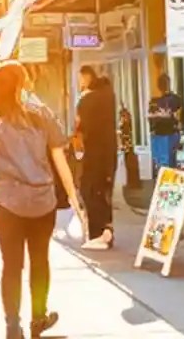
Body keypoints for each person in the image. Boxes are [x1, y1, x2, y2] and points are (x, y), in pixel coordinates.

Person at [0, 60, 80, 339]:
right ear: (20, 83)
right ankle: (38, 319)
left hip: (6, 203)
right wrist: (73, 196)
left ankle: (12, 325)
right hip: (42, 202)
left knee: (11, 264)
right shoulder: (40, 114)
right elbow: (59, 157)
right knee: (40, 260)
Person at [75, 66, 117, 250]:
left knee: (89, 190)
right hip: (109, 154)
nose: (80, 84)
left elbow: (80, 127)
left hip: (94, 154)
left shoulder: (88, 99)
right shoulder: (108, 96)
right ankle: (106, 229)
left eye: (81, 79)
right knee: (103, 192)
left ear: (87, 77)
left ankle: (98, 232)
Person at [149, 74, 184, 175]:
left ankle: (167, 185)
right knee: (168, 163)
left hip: (167, 134)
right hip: (165, 134)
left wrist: (160, 115)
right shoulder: (158, 101)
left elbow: (176, 115)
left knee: (165, 163)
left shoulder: (173, 100)